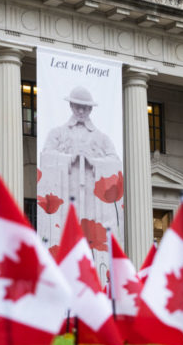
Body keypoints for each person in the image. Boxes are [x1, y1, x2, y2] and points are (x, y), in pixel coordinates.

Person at [39, 86, 123, 278]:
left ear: (91, 110)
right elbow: (46, 156)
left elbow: (114, 161)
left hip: (92, 198)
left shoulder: (101, 138)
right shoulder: (57, 133)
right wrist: (68, 158)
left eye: (85, 108)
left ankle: (93, 275)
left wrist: (95, 161)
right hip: (66, 193)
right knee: (68, 235)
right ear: (71, 106)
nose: (82, 111)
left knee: (91, 237)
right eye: (78, 107)